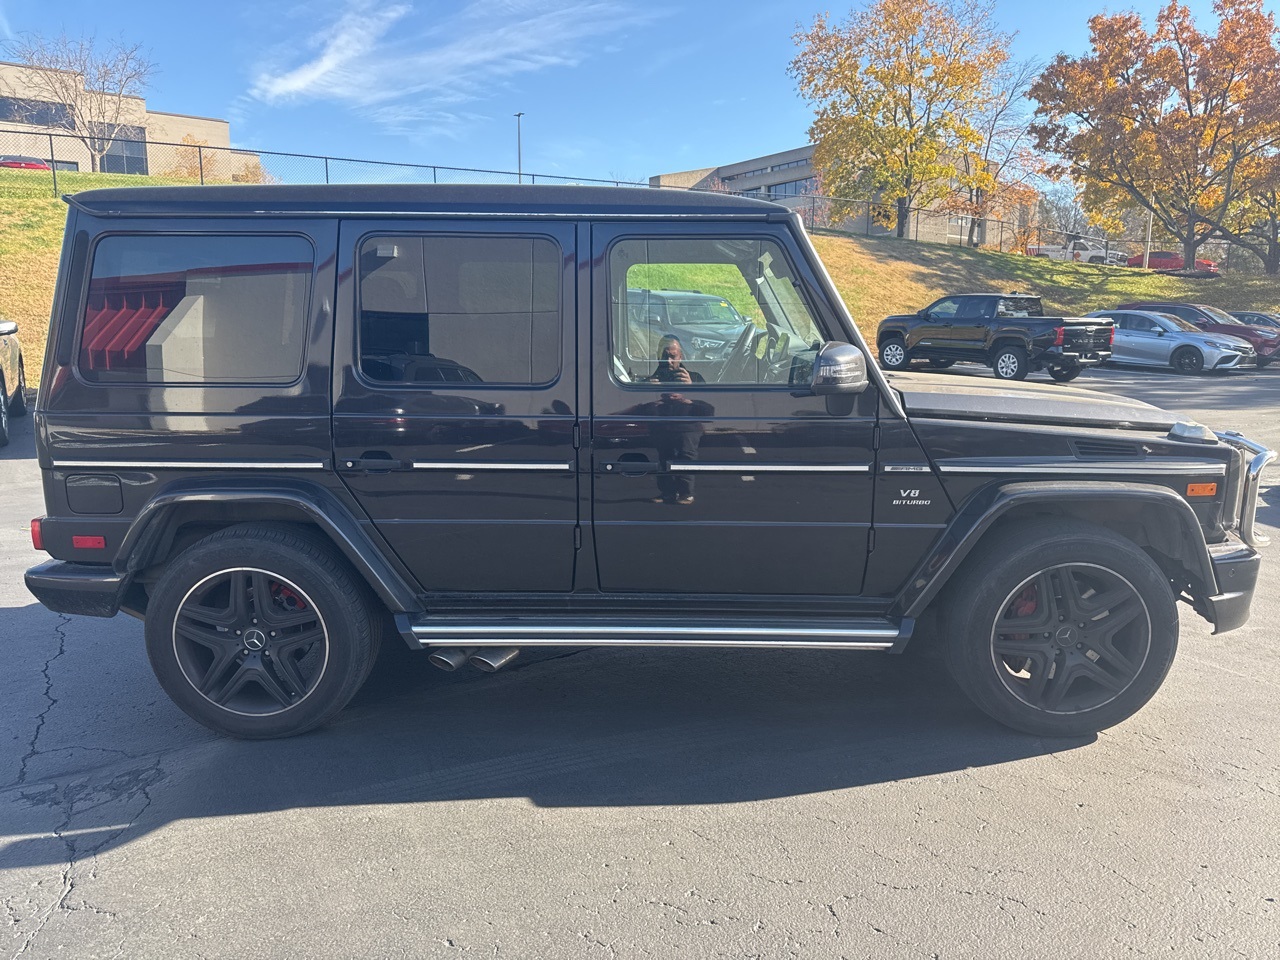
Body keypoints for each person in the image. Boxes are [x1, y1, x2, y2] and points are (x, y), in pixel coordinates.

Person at [644, 336, 709, 504]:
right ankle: (667, 492)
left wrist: (691, 388)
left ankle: (686, 493)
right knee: (663, 458)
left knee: (686, 458)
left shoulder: (694, 377)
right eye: (664, 356)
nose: (668, 361)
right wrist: (649, 390)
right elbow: (641, 406)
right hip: (662, 427)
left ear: (681, 356)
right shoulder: (651, 380)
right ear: (658, 357)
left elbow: (708, 408)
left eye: (673, 356)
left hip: (687, 428)